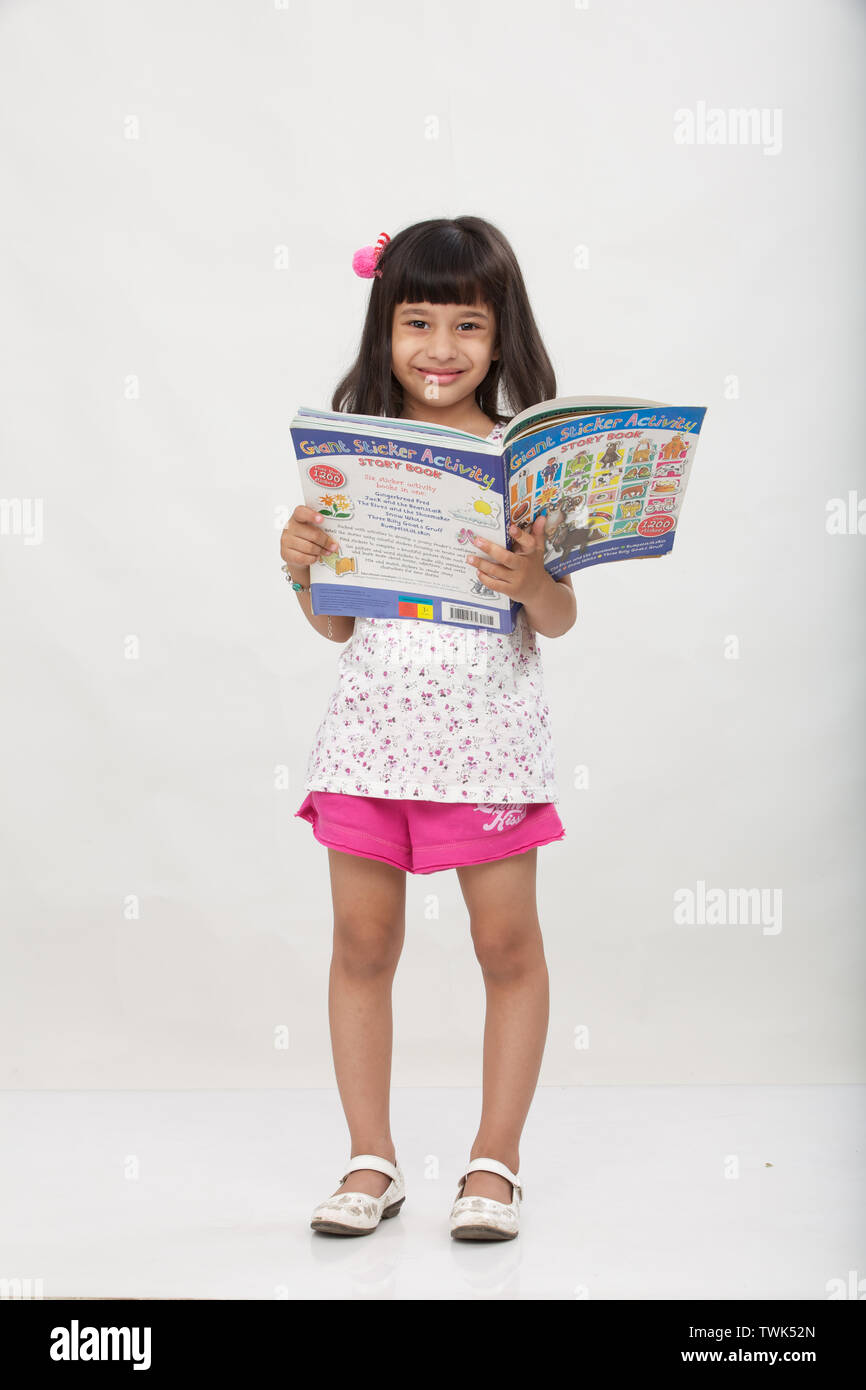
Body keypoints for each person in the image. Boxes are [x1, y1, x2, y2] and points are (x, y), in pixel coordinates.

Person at [280, 216, 577, 1241]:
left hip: (486, 740)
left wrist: (535, 579)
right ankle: (371, 1157)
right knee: (362, 942)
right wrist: (300, 561)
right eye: (415, 322)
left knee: (504, 943)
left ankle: (494, 1160)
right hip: (370, 735)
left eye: (465, 323)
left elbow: (557, 619)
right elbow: (332, 623)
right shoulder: (350, 461)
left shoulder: (520, 461)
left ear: (500, 337)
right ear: (383, 328)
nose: (439, 347)